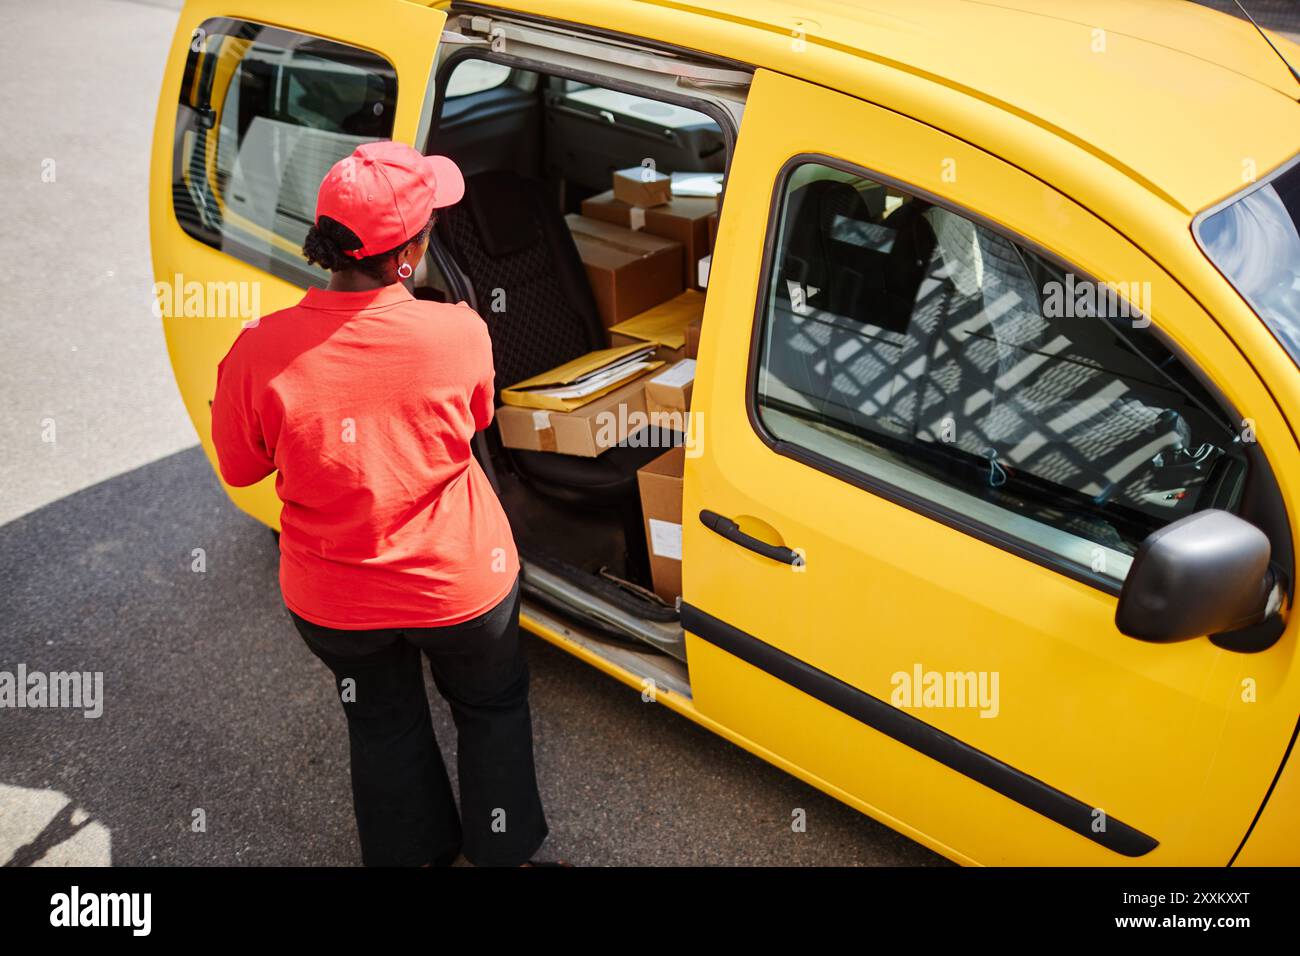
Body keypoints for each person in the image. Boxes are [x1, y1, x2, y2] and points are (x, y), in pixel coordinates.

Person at [210, 141, 555, 867]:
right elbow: (479, 417)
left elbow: (242, 470)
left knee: (381, 725)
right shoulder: (458, 331)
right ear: (405, 259)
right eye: (430, 229)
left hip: (334, 600)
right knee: (490, 708)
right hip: (459, 585)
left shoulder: (256, 351)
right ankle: (500, 852)